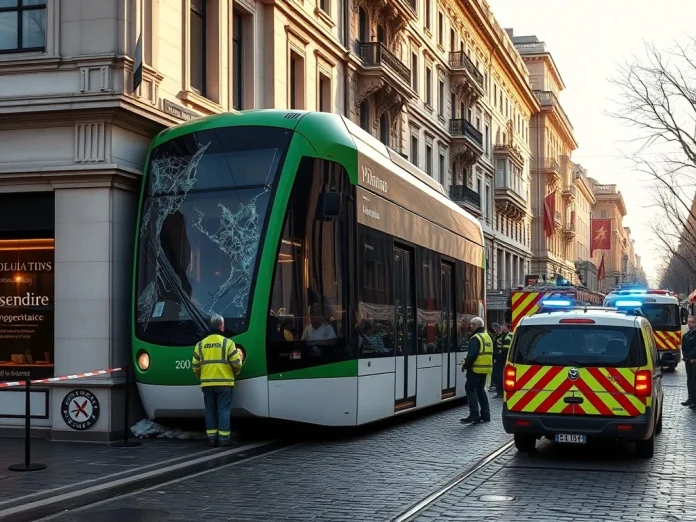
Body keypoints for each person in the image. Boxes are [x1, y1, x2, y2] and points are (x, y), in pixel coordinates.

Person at [192, 314, 244, 446]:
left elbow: (195, 367)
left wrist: (202, 378)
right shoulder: (228, 343)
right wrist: (234, 374)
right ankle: (224, 439)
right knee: (223, 410)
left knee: (210, 410)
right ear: (221, 326)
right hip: (224, 382)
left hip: (207, 383)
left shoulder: (200, 345)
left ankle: (211, 438)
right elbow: (236, 364)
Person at [460, 316, 493, 424]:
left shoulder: (476, 338)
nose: (471, 326)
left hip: (476, 369)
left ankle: (474, 414)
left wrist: (465, 366)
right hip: (485, 369)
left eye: (472, 324)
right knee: (480, 390)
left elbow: (472, 355)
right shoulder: (487, 336)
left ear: (477, 325)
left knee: (470, 389)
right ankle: (486, 414)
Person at [492, 324, 513, 398]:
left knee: (499, 375)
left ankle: (500, 392)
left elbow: (505, 349)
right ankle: (500, 391)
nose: (501, 328)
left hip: (502, 359)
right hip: (502, 359)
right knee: (500, 375)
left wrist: (498, 353)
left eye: (503, 327)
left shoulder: (507, 336)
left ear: (507, 328)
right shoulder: (504, 335)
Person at [681, 315, 696, 408]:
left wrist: (692, 357)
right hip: (688, 361)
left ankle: (694, 400)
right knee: (689, 380)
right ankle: (690, 398)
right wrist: (686, 357)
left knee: (694, 380)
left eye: (692, 322)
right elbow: (683, 347)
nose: (690, 323)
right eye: (689, 322)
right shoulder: (686, 335)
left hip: (694, 360)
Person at [489, 323, 502, 393]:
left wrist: (496, 355)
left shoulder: (500, 336)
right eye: (494, 330)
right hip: (495, 356)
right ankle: (494, 386)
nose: (495, 331)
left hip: (498, 357)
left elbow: (499, 347)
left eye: (496, 329)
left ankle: (496, 387)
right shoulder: (496, 336)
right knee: (494, 372)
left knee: (497, 372)